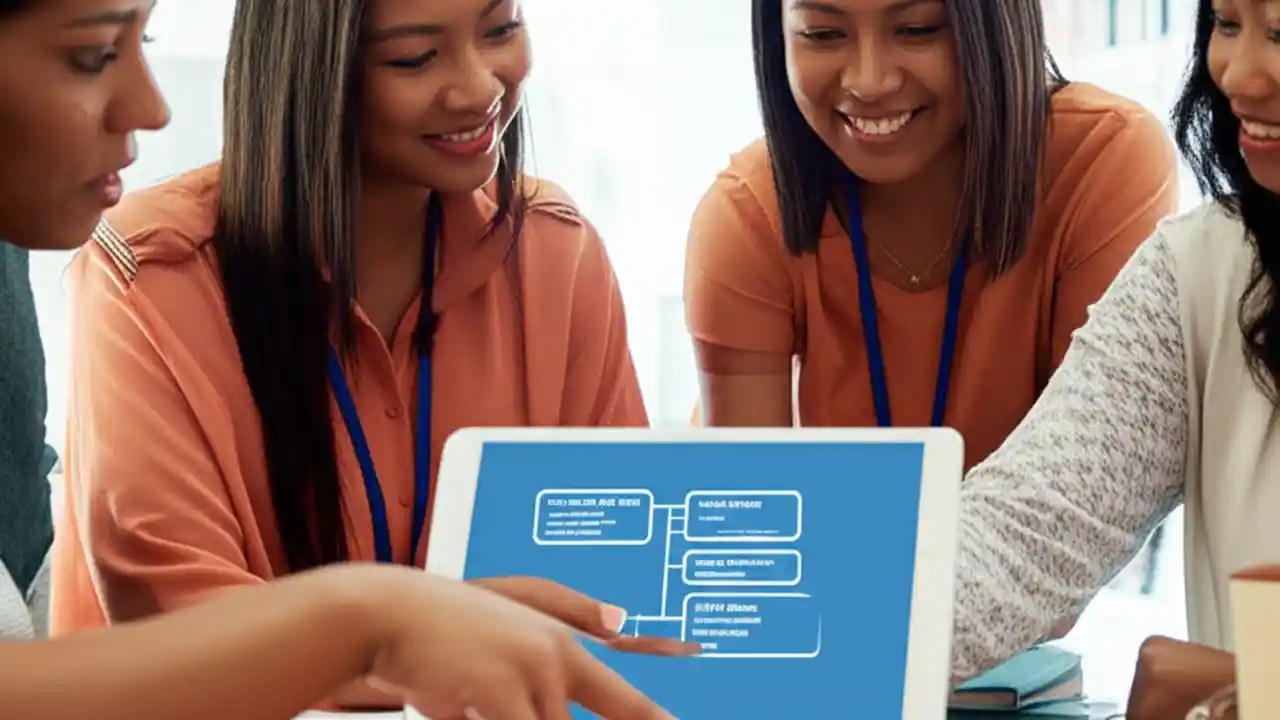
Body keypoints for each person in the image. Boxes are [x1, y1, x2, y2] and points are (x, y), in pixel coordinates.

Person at [0, 1, 678, 718]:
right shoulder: (152, 274)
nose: (480, 87)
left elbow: (613, 587)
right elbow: (180, 639)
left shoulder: (555, 253)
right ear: (309, 71)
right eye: (414, 58)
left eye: (502, 29)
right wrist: (388, 631)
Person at [948, 0, 1280, 712]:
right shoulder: (1202, 269)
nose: (1238, 75)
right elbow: (1025, 532)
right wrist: (761, 628)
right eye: (1226, 24)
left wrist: (1248, 690)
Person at [684, 0, 1179, 471]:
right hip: (824, 534)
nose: (869, 82)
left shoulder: (1101, 161)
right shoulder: (748, 214)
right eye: (823, 34)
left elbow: (1091, 486)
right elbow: (749, 510)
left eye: (917, 29)